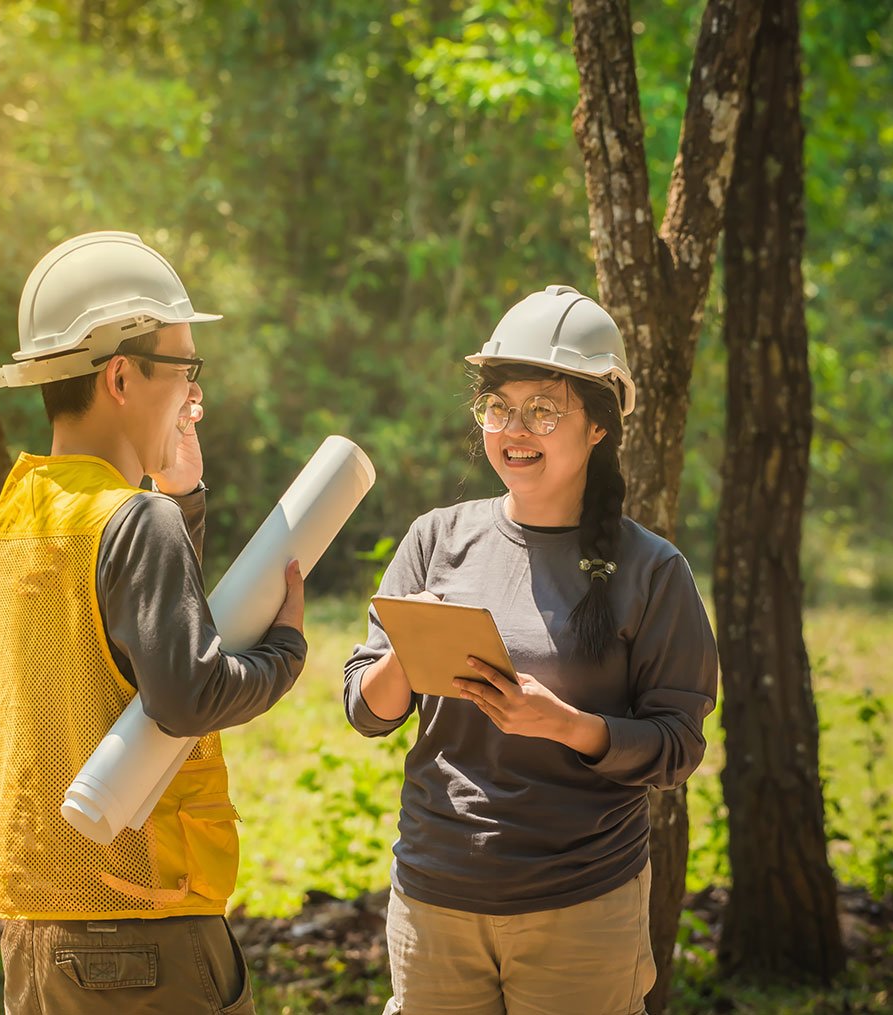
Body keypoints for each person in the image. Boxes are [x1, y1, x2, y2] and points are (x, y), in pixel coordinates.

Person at [344, 285, 718, 1015]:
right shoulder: (436, 537)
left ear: (600, 427)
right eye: (498, 407)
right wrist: (405, 657)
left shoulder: (652, 569)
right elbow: (366, 708)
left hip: (582, 905)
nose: (515, 428)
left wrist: (570, 725)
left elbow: (678, 745)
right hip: (433, 897)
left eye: (543, 409)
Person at [0, 230, 306, 1014]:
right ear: (122, 375)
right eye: (186, 369)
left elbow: (123, 632)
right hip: (142, 918)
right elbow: (186, 692)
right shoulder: (136, 518)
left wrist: (180, 498)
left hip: (36, 923)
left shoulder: (22, 507)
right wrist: (286, 652)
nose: (195, 393)